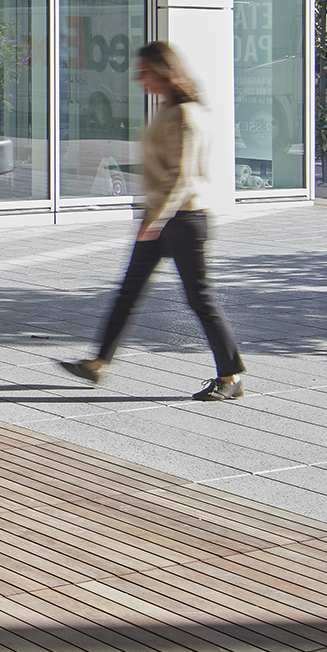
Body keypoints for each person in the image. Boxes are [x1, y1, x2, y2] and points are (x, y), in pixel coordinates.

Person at [58, 41, 245, 400]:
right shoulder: (167, 110)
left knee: (200, 300)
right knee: (128, 292)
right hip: (160, 218)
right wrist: (152, 217)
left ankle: (231, 377)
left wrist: (154, 221)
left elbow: (182, 178)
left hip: (183, 220)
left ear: (162, 71)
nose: (138, 79)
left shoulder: (186, 115)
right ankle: (96, 364)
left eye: (143, 71)